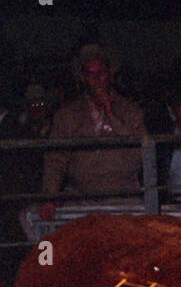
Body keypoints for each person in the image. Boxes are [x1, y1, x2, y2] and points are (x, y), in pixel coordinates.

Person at [39, 43, 148, 219]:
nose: (97, 79)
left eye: (101, 73)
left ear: (110, 74)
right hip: (81, 199)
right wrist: (50, 197)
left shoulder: (131, 111)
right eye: (90, 74)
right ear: (82, 77)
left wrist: (112, 115)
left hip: (124, 199)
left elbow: (142, 155)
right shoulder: (67, 115)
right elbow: (55, 160)